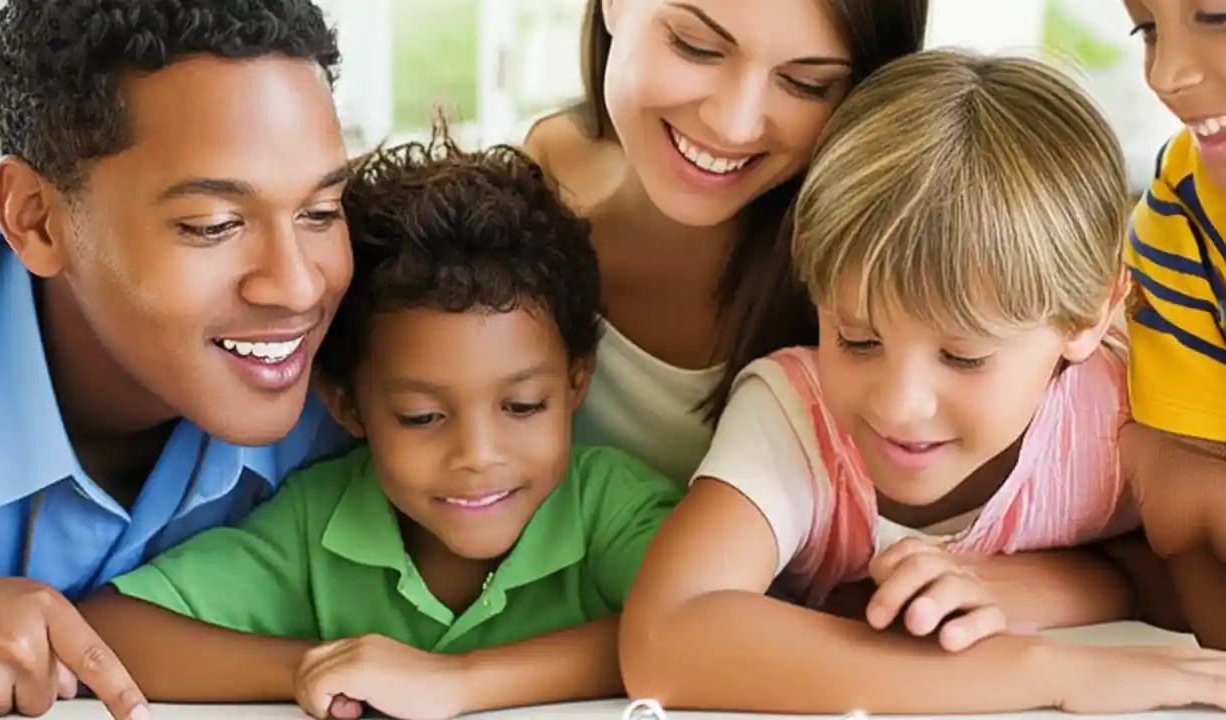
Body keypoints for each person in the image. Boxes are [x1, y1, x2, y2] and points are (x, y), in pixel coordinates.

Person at [619, 49, 1226, 715]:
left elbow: (1187, 583)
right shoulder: (795, 417)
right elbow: (667, 635)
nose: (900, 406)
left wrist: (1042, 585)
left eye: (964, 358)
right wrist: (1042, 672)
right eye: (857, 338)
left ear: (1088, 317)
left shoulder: (1120, 413)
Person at [78, 130, 682, 720]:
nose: (477, 455)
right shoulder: (320, 521)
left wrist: (456, 682)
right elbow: (108, 633)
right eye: (422, 417)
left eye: (522, 406)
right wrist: (317, 667)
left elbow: (700, 629)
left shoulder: (610, 505)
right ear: (347, 406)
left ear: (577, 381)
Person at [0, 2, 353, 718]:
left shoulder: (370, 380)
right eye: (214, 225)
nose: (296, 286)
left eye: (321, 212)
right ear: (35, 219)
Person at [525, 0, 927, 482]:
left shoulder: (884, 266)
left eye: (806, 84)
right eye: (696, 48)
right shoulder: (531, 185)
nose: (734, 124)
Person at [1118, 0, 1226, 651]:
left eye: (1216, 16)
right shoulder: (1179, 215)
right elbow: (1180, 498)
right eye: (1147, 29)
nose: (1165, 74)